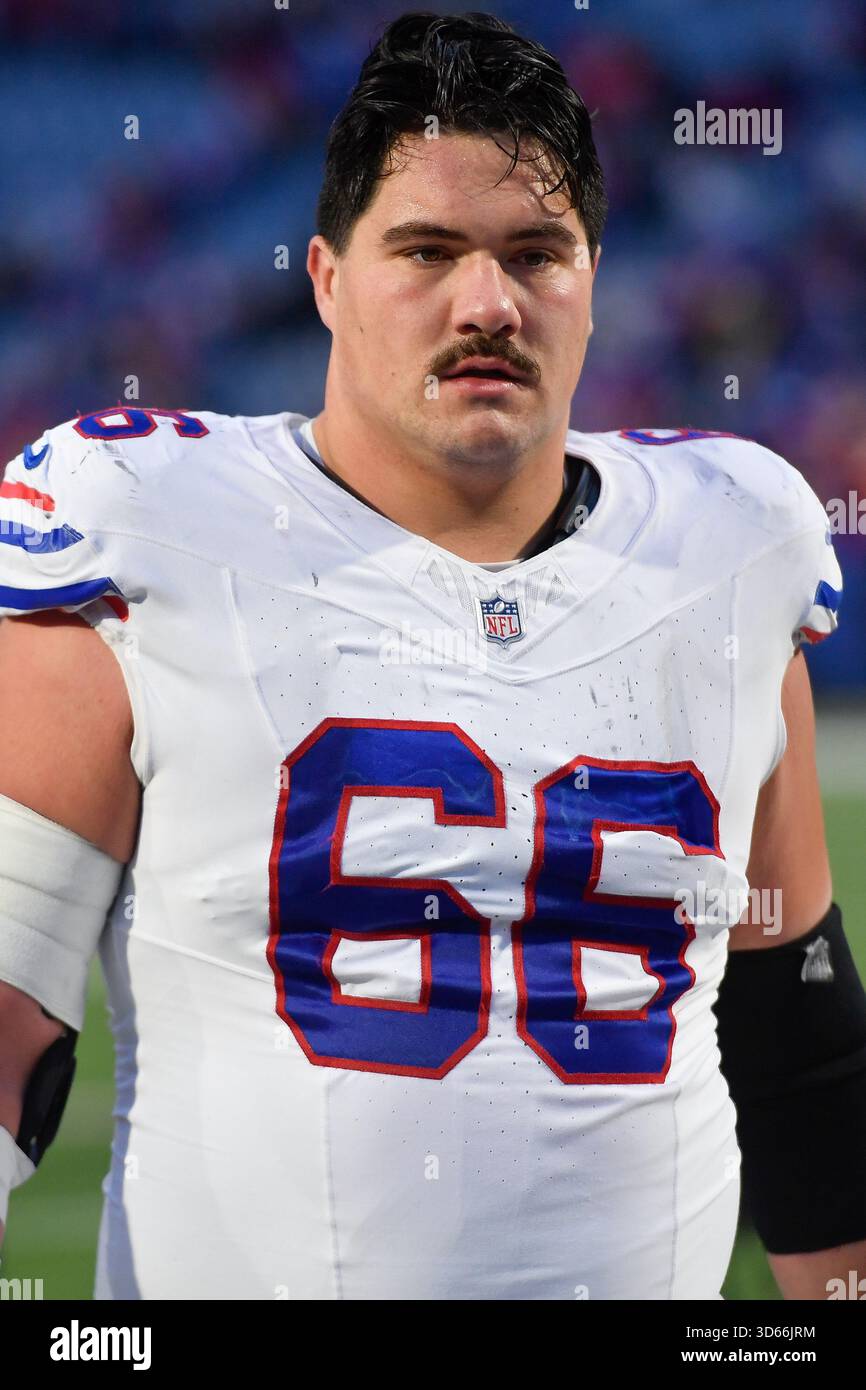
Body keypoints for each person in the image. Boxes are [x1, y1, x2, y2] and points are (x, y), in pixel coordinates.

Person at [0, 11, 863, 1300]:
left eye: (536, 254)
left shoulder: (733, 543)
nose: (488, 304)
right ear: (326, 279)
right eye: (428, 250)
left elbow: (798, 1048)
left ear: (593, 281)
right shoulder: (143, 528)